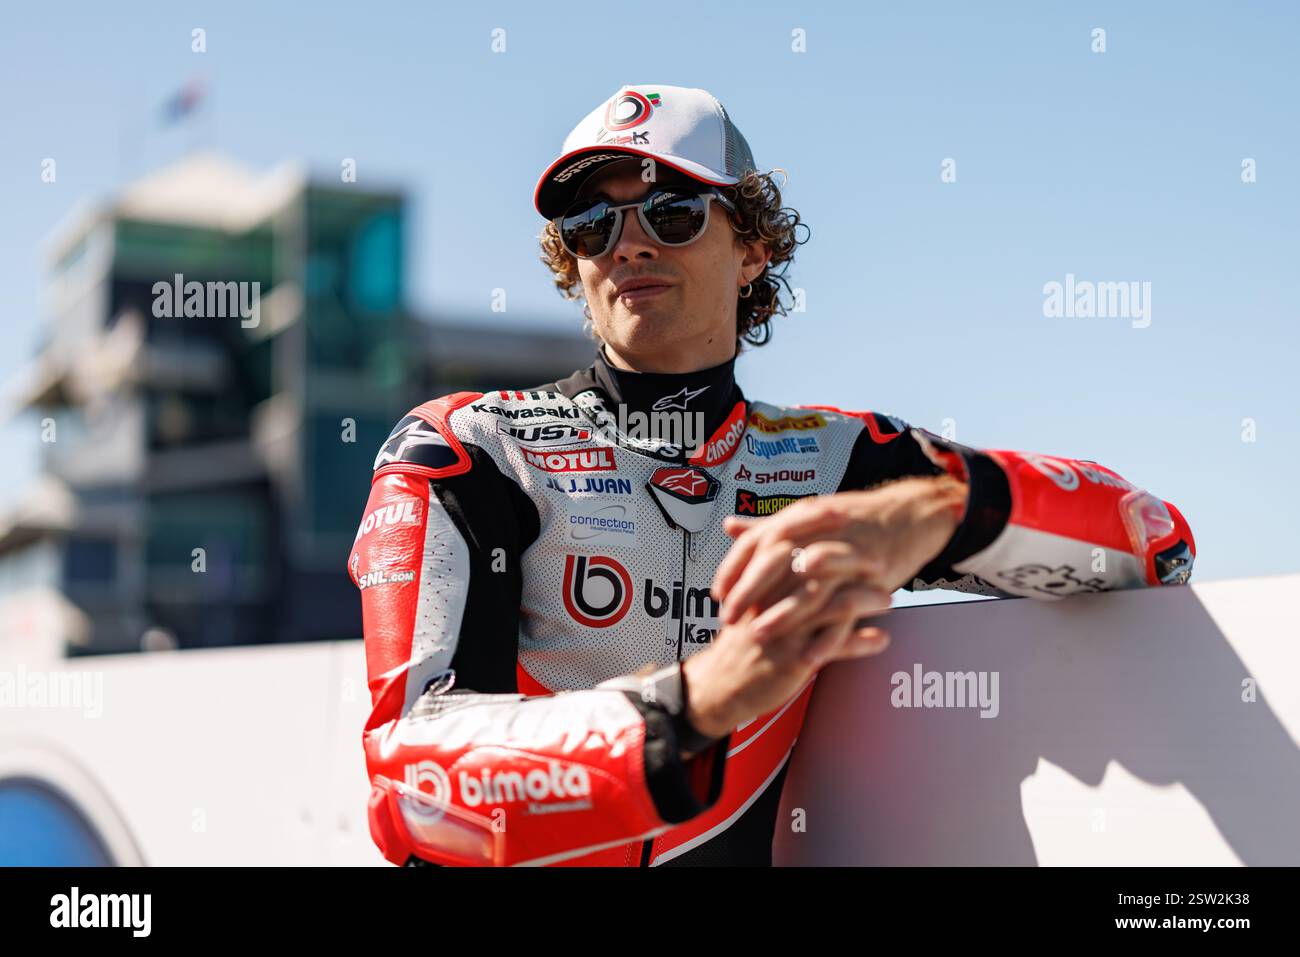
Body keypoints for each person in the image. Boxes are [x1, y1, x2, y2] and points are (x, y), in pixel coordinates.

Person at [348, 84, 1196, 867]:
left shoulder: (837, 459)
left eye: (672, 211)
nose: (629, 242)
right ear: (573, 263)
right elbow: (407, 778)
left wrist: (935, 513)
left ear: (752, 249)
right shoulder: (471, 449)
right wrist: (697, 702)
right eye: (590, 226)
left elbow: (1153, 543)